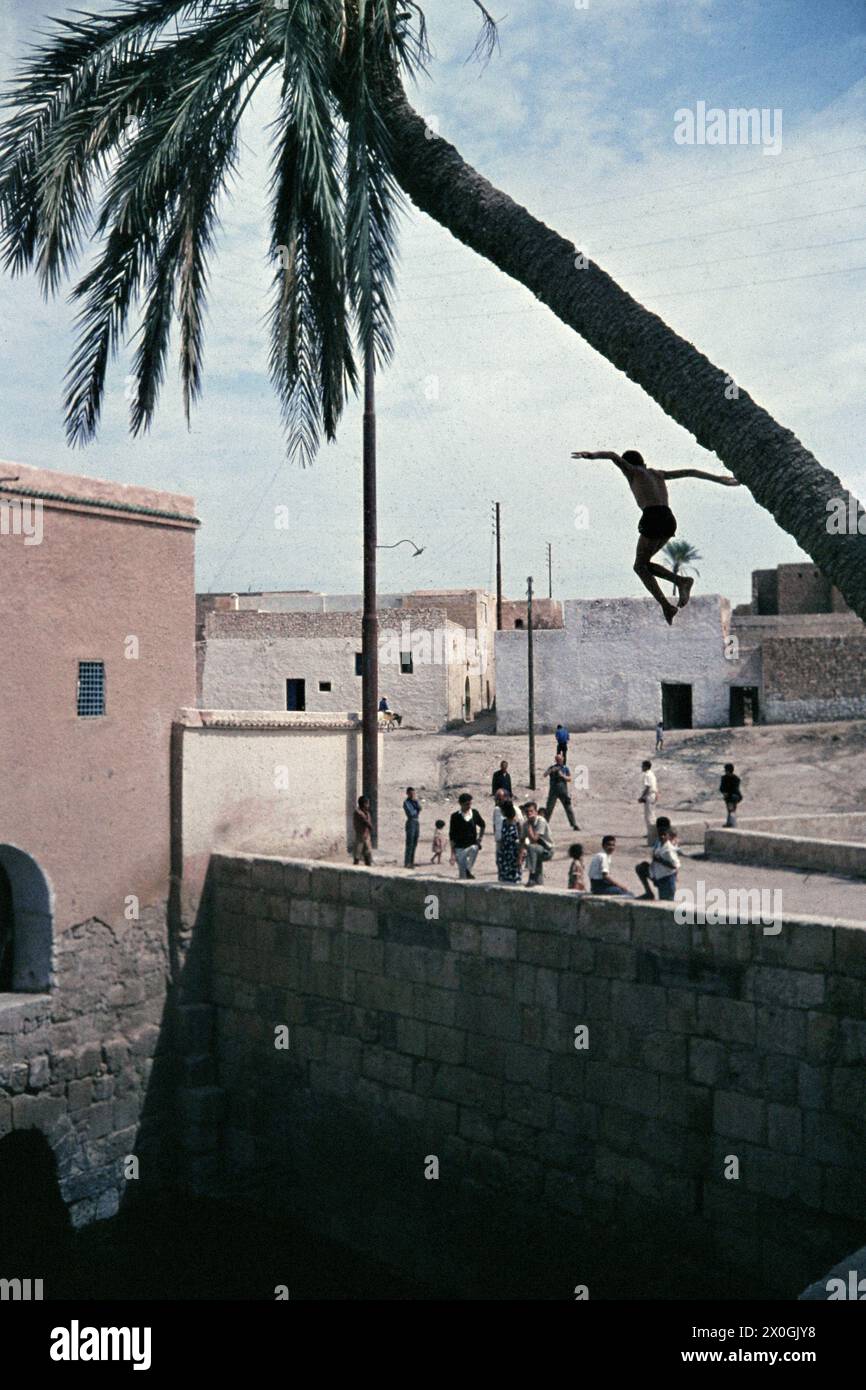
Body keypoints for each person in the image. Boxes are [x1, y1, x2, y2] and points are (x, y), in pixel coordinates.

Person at [570, 448, 740, 625]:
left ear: (627, 465)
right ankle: (679, 585)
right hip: (669, 519)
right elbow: (691, 472)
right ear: (644, 462)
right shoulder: (658, 474)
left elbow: (612, 456)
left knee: (639, 567)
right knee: (643, 565)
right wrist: (721, 480)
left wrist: (591, 456)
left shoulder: (632, 472)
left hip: (652, 517)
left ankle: (672, 597)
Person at [636, 826, 681, 901]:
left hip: (667, 879)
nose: (662, 837)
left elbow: (675, 866)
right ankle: (649, 893)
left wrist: (661, 861)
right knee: (641, 868)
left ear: (668, 836)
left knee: (665, 902)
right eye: (660, 835)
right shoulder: (659, 844)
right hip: (658, 876)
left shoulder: (669, 849)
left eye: (664, 835)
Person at [449, 793, 486, 879]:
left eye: (470, 804)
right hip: (460, 847)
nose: (469, 806)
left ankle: (468, 871)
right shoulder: (455, 817)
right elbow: (452, 835)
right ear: (461, 804)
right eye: (467, 804)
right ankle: (467, 873)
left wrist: (480, 838)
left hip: (471, 845)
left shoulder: (474, 813)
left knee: (474, 848)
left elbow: (483, 825)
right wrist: (452, 854)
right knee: (462, 876)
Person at [544, 751, 579, 829]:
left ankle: (573, 824)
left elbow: (569, 778)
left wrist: (562, 776)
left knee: (568, 807)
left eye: (560, 759)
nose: (559, 761)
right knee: (549, 808)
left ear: (562, 759)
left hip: (563, 791)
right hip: (553, 791)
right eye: (557, 759)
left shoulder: (565, 768)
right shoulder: (552, 767)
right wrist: (551, 771)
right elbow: (545, 774)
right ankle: (545, 824)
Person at [524, 802, 554, 886]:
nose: (529, 814)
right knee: (537, 864)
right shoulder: (525, 823)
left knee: (532, 847)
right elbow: (522, 840)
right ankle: (538, 883)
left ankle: (532, 877)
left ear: (536, 812)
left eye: (531, 811)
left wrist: (529, 827)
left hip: (547, 850)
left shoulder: (541, 821)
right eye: (527, 812)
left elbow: (534, 839)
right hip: (538, 849)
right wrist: (520, 857)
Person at [496, 802, 522, 884]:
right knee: (503, 877)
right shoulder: (504, 822)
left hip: (514, 852)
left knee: (514, 876)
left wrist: (520, 856)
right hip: (504, 852)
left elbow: (521, 839)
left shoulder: (517, 824)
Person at [638, 759, 658, 846]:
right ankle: (652, 831)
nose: (641, 767)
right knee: (652, 814)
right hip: (653, 795)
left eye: (642, 766)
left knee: (648, 815)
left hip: (649, 795)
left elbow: (647, 787)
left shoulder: (647, 775)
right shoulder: (652, 774)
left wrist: (642, 796)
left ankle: (651, 832)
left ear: (646, 766)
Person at [352, 795, 373, 867]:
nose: (368, 805)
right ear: (364, 804)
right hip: (360, 837)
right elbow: (366, 822)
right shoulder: (358, 812)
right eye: (367, 803)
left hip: (366, 836)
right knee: (357, 856)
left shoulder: (366, 812)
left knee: (368, 855)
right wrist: (370, 826)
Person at [720, 763, 743, 827]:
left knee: (731, 809)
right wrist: (724, 792)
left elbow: (735, 789)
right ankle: (731, 822)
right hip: (728, 797)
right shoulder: (724, 778)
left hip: (734, 796)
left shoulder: (736, 779)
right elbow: (721, 788)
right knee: (730, 810)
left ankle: (731, 823)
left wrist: (728, 794)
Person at [403, 787, 420, 868]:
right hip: (411, 822)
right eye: (411, 793)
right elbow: (411, 813)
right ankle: (407, 862)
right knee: (410, 843)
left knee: (415, 843)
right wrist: (416, 809)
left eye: (413, 793)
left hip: (416, 822)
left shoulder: (414, 802)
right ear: (408, 794)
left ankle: (411, 861)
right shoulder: (406, 802)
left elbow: (420, 808)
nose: (413, 795)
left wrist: (415, 802)